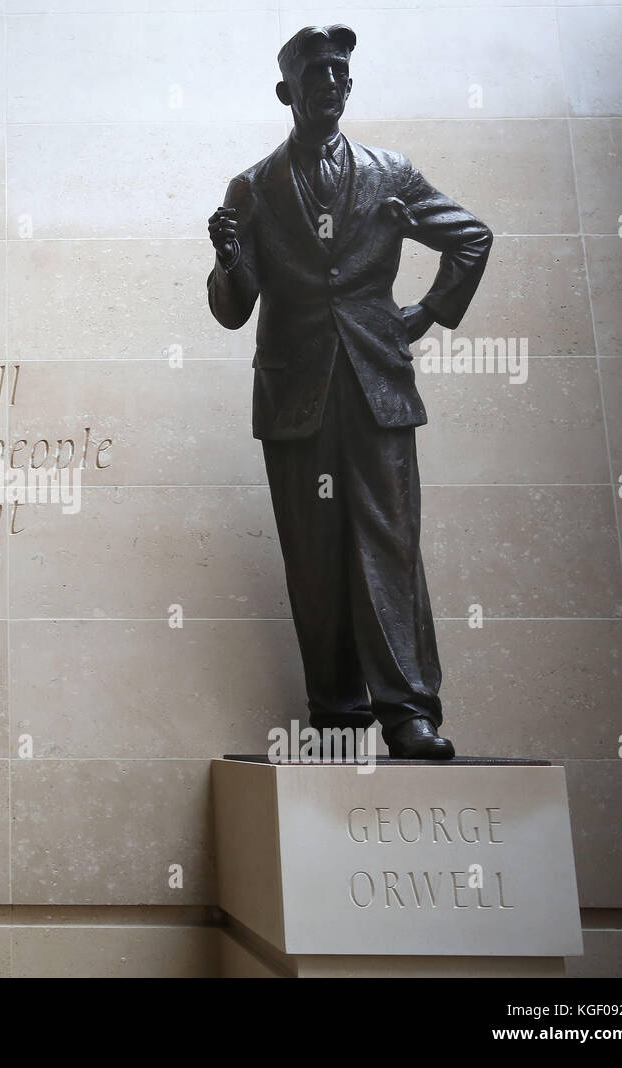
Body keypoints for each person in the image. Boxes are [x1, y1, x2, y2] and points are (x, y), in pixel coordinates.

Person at [206, 24, 493, 760]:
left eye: (340, 72)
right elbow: (235, 308)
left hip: (375, 387)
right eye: (316, 73)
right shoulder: (253, 188)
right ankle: (336, 715)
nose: (331, 82)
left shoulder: (389, 172)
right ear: (287, 91)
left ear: (349, 86)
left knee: (389, 546)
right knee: (314, 556)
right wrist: (229, 261)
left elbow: (471, 237)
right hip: (295, 398)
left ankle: (410, 714)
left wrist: (424, 314)